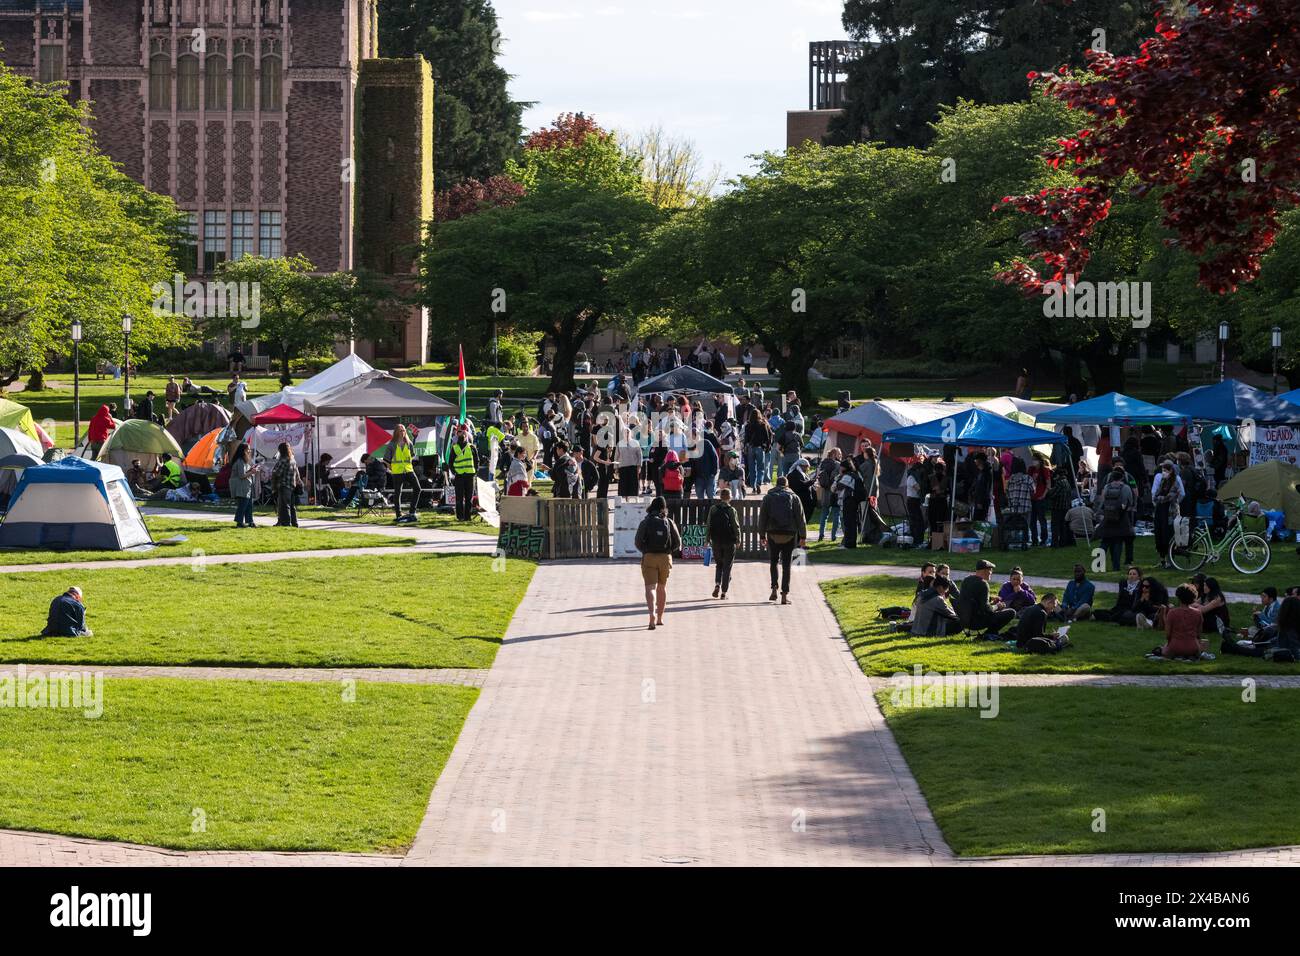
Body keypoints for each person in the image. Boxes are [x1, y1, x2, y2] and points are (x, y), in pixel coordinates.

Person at [758, 475, 807, 605]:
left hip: (773, 533)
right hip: (790, 534)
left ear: (776, 485)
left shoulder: (768, 497)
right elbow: (801, 518)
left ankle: (774, 587)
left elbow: (762, 518)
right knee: (786, 565)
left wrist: (762, 535)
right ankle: (784, 594)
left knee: (773, 562)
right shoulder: (794, 497)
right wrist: (803, 537)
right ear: (787, 485)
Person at [635, 496, 681, 631]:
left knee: (650, 588)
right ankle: (660, 618)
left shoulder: (646, 522)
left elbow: (637, 541)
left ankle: (651, 615)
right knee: (662, 587)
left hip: (649, 557)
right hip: (665, 557)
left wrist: (645, 551)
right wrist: (668, 551)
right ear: (663, 508)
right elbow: (678, 542)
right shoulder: (668, 521)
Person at [956, 559, 1017, 639]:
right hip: (976, 622)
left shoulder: (966, 580)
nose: (991, 573)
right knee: (1011, 612)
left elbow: (973, 597)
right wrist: (998, 606)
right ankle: (988, 634)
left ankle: (987, 634)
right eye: (990, 570)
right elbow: (986, 609)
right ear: (985, 571)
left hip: (964, 620)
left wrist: (990, 598)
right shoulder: (983, 584)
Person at [1095, 468, 1135, 571]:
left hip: (1108, 517)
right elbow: (1130, 502)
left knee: (1105, 541)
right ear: (1122, 477)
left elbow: (1102, 502)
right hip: (1121, 517)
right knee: (1118, 542)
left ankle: (1098, 565)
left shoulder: (1107, 487)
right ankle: (1116, 567)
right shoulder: (1125, 488)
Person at [706, 487, 741, 599]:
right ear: (730, 497)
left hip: (716, 540)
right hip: (729, 542)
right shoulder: (731, 510)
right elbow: (736, 526)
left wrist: (707, 539)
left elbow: (709, 524)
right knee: (727, 566)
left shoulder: (713, 509)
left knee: (719, 565)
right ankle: (724, 592)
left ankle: (717, 584)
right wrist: (738, 539)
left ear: (720, 497)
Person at [1156, 584, 1205, 659]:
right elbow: (1198, 634)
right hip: (1193, 647)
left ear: (1179, 597)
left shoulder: (1172, 613)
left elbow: (1168, 635)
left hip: (1175, 647)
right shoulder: (1198, 613)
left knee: (1163, 648)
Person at [1150, 459, 1183, 567]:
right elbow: (1156, 495)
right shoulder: (1163, 481)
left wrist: (1160, 498)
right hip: (1160, 511)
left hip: (1169, 512)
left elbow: (1169, 497)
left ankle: (1170, 560)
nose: (1163, 472)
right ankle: (1162, 559)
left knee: (1168, 535)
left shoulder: (1175, 482)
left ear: (1170, 471)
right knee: (1159, 535)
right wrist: (1159, 498)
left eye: (1165, 470)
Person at [387, 425, 419, 523]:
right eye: (400, 431)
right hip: (397, 472)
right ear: (396, 432)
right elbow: (386, 461)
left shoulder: (408, 443)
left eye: (404, 430)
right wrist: (392, 469)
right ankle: (398, 514)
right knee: (398, 493)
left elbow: (412, 456)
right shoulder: (391, 444)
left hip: (409, 470)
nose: (402, 432)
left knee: (418, 489)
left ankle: (412, 512)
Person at [448, 425, 479, 520]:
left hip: (470, 475)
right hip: (459, 476)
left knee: (469, 498)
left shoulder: (472, 447)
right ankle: (460, 517)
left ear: (466, 434)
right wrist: (455, 472)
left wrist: (475, 472)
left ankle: (467, 517)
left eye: (463, 431)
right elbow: (450, 462)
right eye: (459, 431)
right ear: (457, 434)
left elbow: (476, 461)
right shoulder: (454, 448)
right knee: (459, 498)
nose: (462, 433)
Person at [834, 458, 864, 549]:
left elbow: (836, 487)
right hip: (854, 501)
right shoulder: (855, 475)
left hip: (849, 501)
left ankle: (849, 544)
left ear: (845, 467)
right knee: (852, 523)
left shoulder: (847, 476)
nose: (840, 469)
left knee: (848, 523)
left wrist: (838, 478)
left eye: (841, 467)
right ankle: (852, 543)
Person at [271, 442, 301, 527]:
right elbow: (297, 474)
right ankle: (294, 523)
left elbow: (277, 473)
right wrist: (299, 482)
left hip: (283, 485)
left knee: (284, 506)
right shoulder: (293, 460)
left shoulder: (283, 460)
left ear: (281, 451)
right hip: (292, 485)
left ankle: (286, 523)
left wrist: (273, 474)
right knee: (292, 506)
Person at [818, 447, 844, 542]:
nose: (841, 455)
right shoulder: (838, 465)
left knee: (824, 515)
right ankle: (833, 536)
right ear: (834, 454)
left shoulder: (823, 464)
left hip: (825, 492)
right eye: (839, 453)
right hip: (835, 492)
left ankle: (821, 534)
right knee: (836, 514)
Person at [229, 442, 255, 528]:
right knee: (243, 505)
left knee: (249, 505)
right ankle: (239, 522)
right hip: (241, 487)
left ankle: (250, 521)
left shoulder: (244, 461)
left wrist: (251, 470)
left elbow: (244, 473)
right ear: (243, 451)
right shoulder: (240, 461)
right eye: (248, 449)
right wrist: (252, 472)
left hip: (246, 486)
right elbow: (241, 475)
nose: (250, 451)